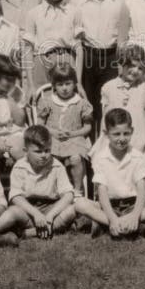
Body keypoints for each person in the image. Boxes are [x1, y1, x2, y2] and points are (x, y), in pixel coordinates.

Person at [75, 108, 145, 239]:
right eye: (116, 134)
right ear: (106, 134)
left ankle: (112, 224)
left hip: (133, 205)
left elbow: (142, 190)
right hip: (108, 206)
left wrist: (135, 214)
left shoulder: (137, 156)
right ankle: (128, 225)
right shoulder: (101, 158)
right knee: (80, 203)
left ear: (132, 132)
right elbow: (101, 192)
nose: (122, 138)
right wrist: (112, 217)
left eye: (126, 133)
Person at [70, 0, 126, 139]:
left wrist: (120, 63)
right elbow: (75, 37)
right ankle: (88, 159)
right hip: (87, 57)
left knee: (108, 106)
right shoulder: (77, 1)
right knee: (87, 107)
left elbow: (124, 33)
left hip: (111, 57)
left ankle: (106, 155)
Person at [0, 125, 77, 240]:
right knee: (12, 212)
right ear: (26, 151)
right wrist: (35, 213)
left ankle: (27, 233)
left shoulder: (57, 165)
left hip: (51, 208)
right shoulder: (20, 167)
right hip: (29, 209)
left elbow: (68, 194)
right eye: (38, 151)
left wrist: (51, 215)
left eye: (47, 150)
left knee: (72, 210)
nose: (44, 155)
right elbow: (16, 197)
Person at [23, 0, 83, 93]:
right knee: (43, 105)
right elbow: (28, 49)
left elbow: (79, 48)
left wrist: (79, 82)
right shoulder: (33, 13)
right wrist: (31, 85)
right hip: (42, 62)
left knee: (68, 105)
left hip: (67, 61)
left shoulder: (74, 11)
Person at [91, 43, 145, 166]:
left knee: (139, 160)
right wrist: (103, 138)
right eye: (132, 66)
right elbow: (105, 116)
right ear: (122, 63)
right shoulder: (109, 87)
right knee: (103, 160)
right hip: (113, 135)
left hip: (136, 136)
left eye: (140, 68)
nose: (136, 71)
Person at [35, 64, 93, 196]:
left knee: (75, 158)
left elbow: (87, 127)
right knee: (47, 157)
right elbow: (40, 124)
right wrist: (53, 132)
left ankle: (77, 190)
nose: (65, 88)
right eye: (60, 85)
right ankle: (50, 190)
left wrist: (73, 134)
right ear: (54, 85)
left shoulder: (81, 103)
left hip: (75, 138)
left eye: (68, 83)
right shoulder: (48, 101)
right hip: (52, 138)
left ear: (75, 83)